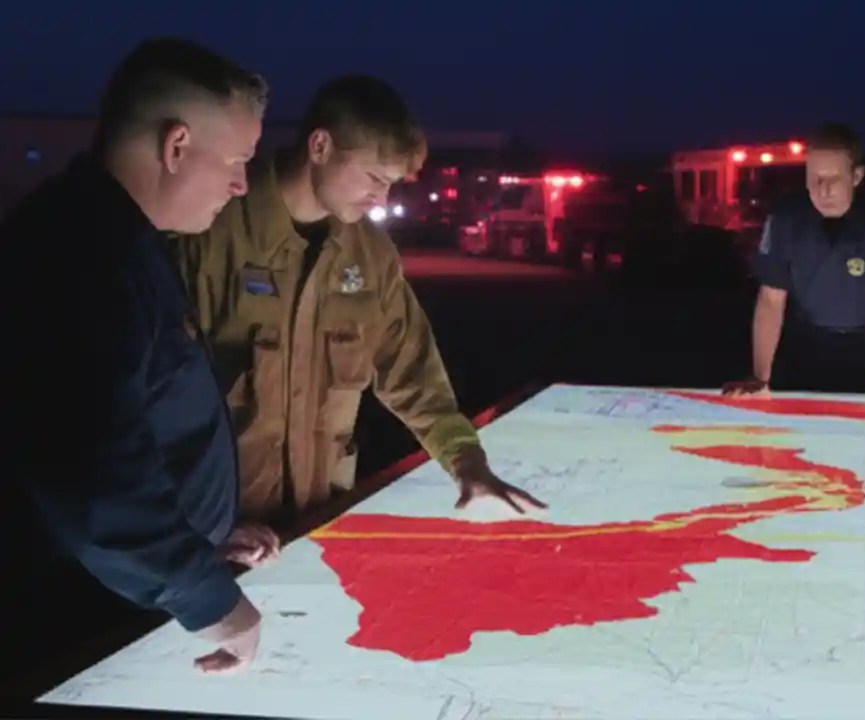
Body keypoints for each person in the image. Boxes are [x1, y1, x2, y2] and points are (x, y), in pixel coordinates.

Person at [0, 38, 280, 678]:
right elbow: (94, 474)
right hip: (72, 621)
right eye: (236, 160)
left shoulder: (124, 242)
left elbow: (150, 412)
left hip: (124, 584)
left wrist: (202, 536)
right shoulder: (79, 260)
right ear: (176, 145)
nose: (241, 184)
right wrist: (205, 597)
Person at [172, 75, 546, 523]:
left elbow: (413, 372)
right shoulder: (210, 232)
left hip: (317, 521)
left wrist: (467, 462)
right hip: (216, 533)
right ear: (320, 146)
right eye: (373, 177)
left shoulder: (370, 256)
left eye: (391, 183)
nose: (382, 197)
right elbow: (154, 401)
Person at [723, 123, 865, 402]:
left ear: (857, 176)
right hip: (805, 348)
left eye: (833, 179)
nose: (823, 190)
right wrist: (760, 376)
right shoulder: (786, 219)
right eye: (814, 178)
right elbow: (770, 299)